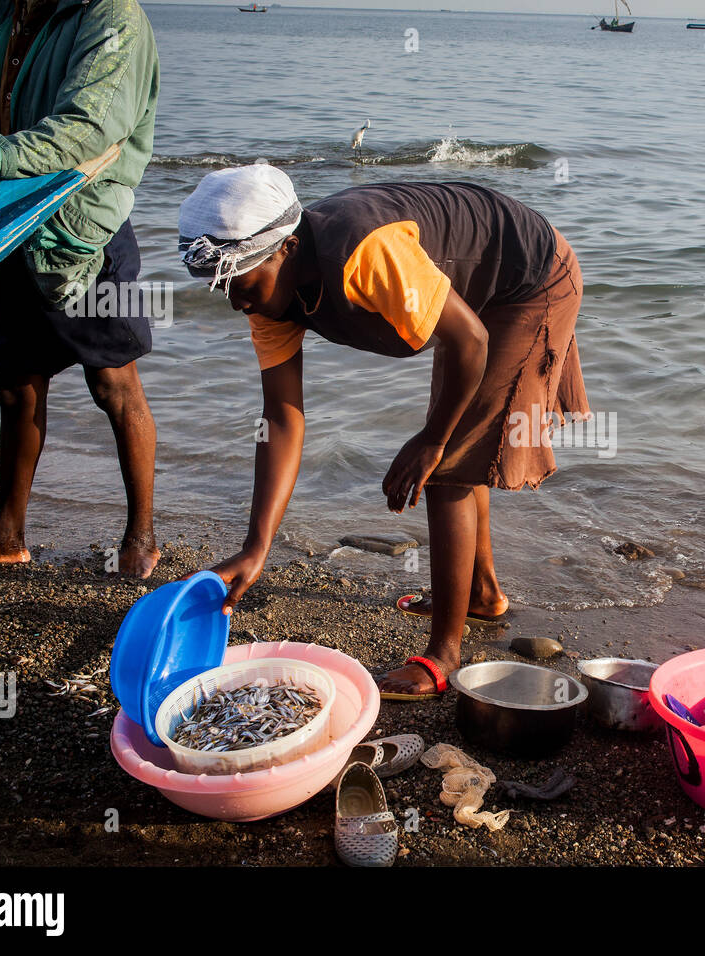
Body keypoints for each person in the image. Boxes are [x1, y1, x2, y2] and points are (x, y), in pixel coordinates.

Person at [177, 165, 591, 700]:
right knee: (458, 445)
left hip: (530, 279)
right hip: (472, 299)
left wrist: (432, 440)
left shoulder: (363, 254)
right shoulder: (270, 293)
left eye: (242, 283)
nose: (236, 302)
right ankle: (480, 593)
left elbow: (469, 341)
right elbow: (281, 417)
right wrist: (257, 547)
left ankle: (443, 653)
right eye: (224, 288)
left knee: (446, 465)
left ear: (287, 249)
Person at [0, 0, 161, 577]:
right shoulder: (15, 17)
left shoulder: (113, 16)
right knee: (16, 382)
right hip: (9, 221)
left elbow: (86, 129)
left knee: (113, 382)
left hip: (84, 226)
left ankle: (141, 539)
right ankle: (6, 535)